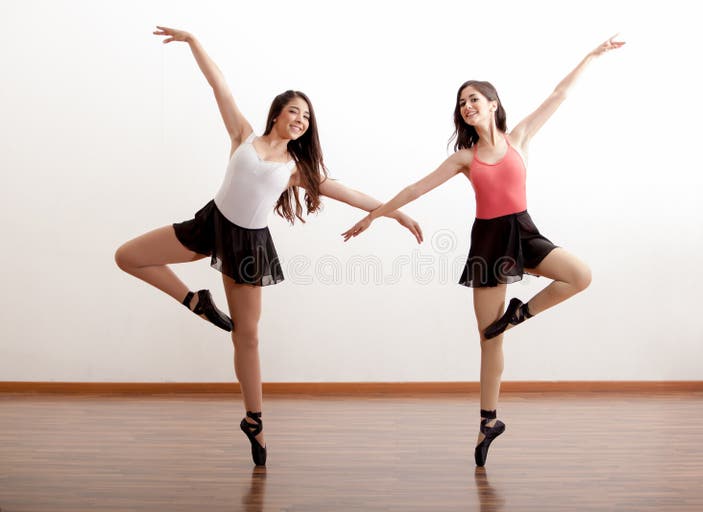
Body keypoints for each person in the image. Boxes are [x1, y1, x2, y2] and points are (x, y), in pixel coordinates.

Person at [114, 27, 422, 466]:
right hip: (210, 223)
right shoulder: (242, 135)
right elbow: (218, 83)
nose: (300, 120)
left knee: (248, 337)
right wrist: (194, 42)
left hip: (248, 246)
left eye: (307, 117)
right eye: (294, 111)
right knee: (127, 256)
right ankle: (195, 300)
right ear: (277, 113)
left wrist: (394, 212)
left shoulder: (297, 168)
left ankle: (254, 422)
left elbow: (351, 193)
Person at [342, 35, 625, 466]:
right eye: (461, 103)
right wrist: (376, 215)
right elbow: (416, 187)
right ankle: (488, 421)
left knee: (579, 275)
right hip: (490, 242)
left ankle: (520, 313)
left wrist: (592, 55)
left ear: (493, 103)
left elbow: (559, 94)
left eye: (474, 98)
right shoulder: (464, 157)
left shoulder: (520, 137)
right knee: (489, 340)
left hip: (524, 232)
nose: (467, 106)